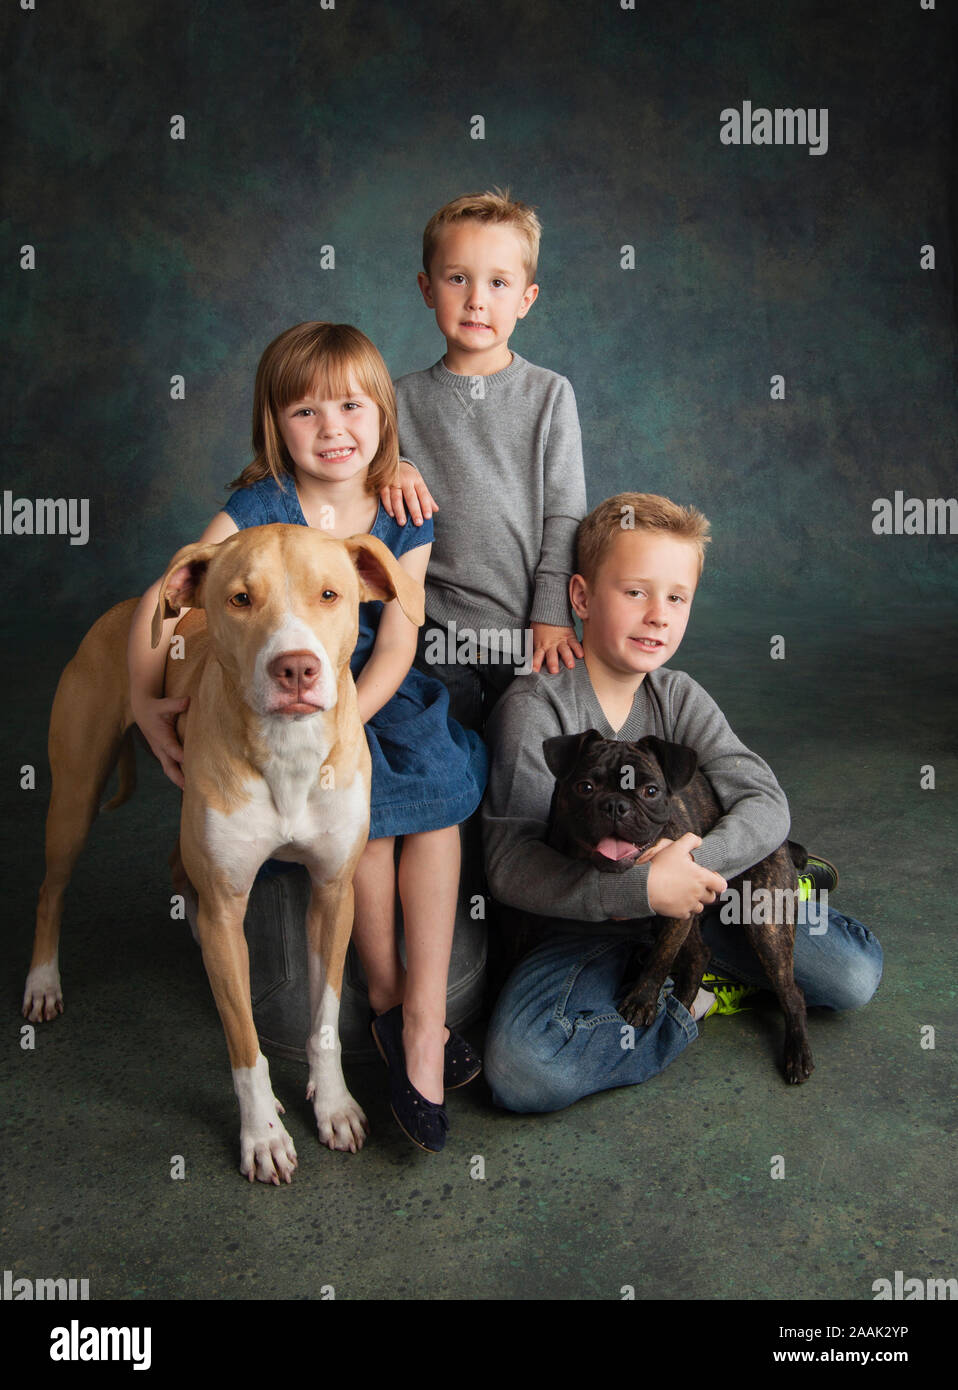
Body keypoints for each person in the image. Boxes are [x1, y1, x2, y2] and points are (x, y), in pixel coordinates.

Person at [127, 321, 487, 1152]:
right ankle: (363, 1015)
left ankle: (415, 1016)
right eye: (305, 414)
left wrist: (345, 721)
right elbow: (165, 596)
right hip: (260, 713)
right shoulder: (255, 510)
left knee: (428, 798)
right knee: (354, 846)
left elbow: (399, 635)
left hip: (367, 695)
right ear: (273, 425)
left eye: (353, 408)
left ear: (383, 416)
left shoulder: (400, 508)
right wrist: (146, 700)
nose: (332, 430)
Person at [481, 492, 883, 1112]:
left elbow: (765, 799)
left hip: (698, 903)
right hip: (580, 923)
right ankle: (689, 1004)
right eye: (635, 592)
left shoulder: (679, 697)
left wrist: (695, 869)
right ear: (582, 598)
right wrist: (640, 892)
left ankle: (773, 896)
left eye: (676, 598)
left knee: (854, 976)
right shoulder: (536, 707)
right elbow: (508, 864)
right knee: (522, 1069)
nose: (657, 616)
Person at [382, 188, 588, 731]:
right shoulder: (396, 400)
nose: (477, 299)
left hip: (525, 625)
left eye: (498, 283)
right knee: (440, 747)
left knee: (525, 751)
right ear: (428, 289)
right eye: (458, 279)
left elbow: (565, 514)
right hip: (432, 625)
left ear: (526, 298)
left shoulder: (549, 394)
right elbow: (355, 487)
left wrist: (551, 612)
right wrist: (391, 466)